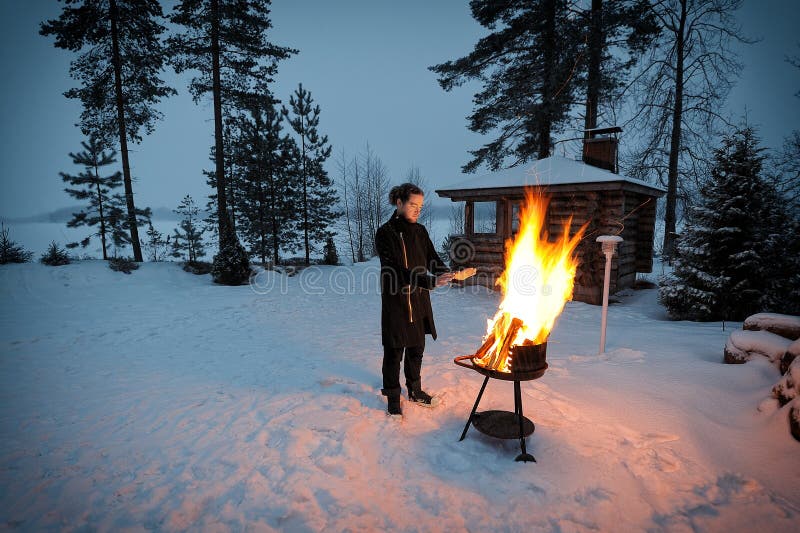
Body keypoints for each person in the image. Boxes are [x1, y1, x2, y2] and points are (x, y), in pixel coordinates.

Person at [375, 183, 455, 417]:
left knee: (417, 348)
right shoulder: (385, 233)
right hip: (396, 300)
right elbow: (395, 269)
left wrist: (444, 272)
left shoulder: (420, 231)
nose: (417, 209)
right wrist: (429, 281)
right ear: (399, 203)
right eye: (413, 204)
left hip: (419, 299)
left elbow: (431, 258)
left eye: (420, 206)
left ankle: (415, 390)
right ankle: (392, 396)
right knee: (394, 350)